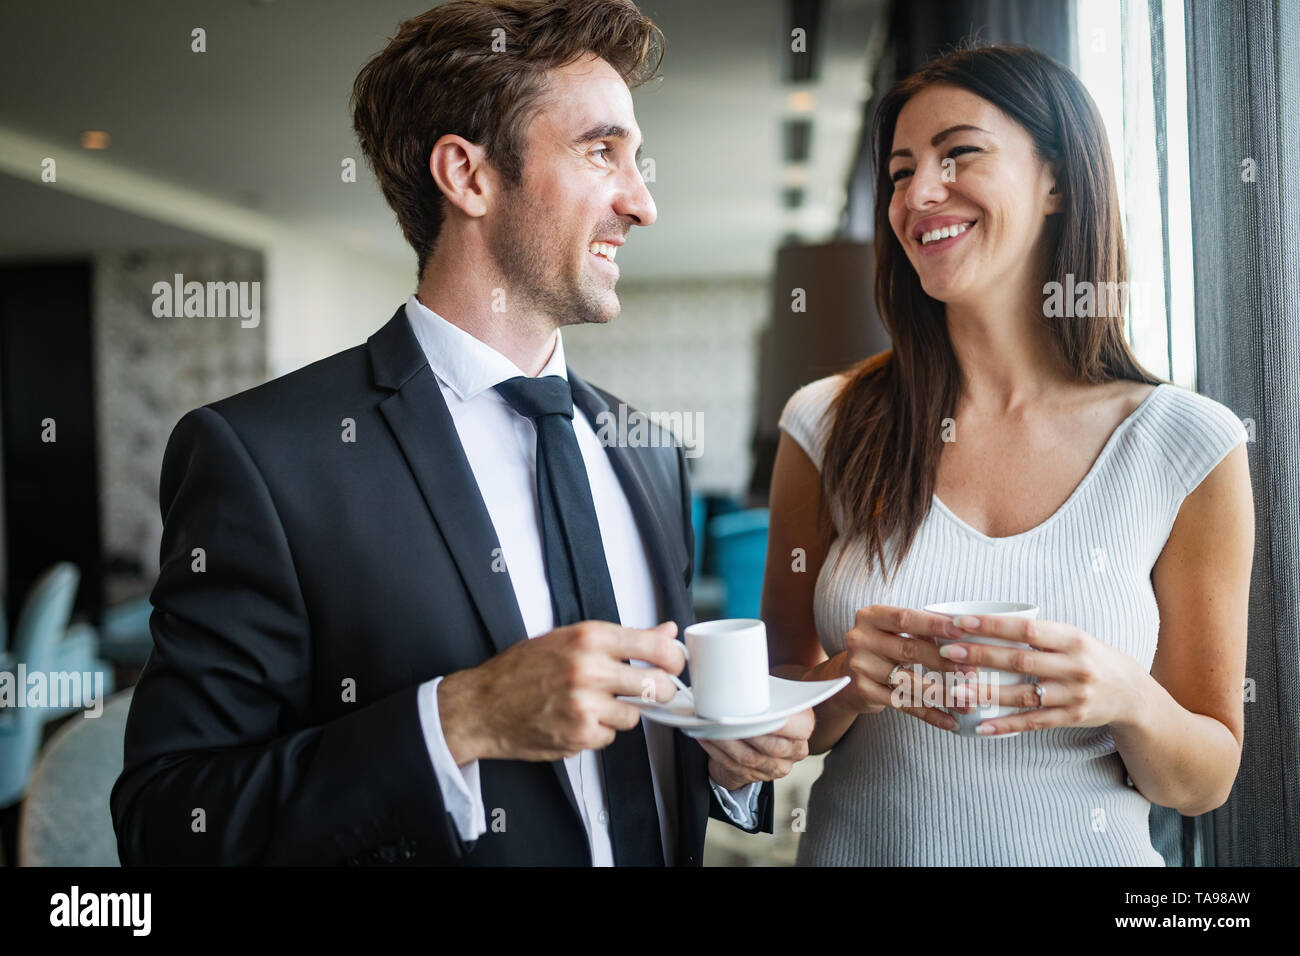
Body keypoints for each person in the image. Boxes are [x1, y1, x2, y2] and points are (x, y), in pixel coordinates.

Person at [110, 0, 813, 867]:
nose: (642, 203)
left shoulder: (648, 450)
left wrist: (727, 762)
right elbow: (169, 821)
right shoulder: (263, 459)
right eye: (602, 152)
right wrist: (462, 718)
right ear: (468, 176)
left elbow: (648, 744)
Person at [763, 43, 1253, 866]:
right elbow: (775, 706)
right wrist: (849, 679)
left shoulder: (1187, 444)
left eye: (959, 154)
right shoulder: (827, 423)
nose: (919, 194)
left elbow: (1204, 781)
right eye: (900, 172)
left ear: (1056, 181)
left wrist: (1126, 696)